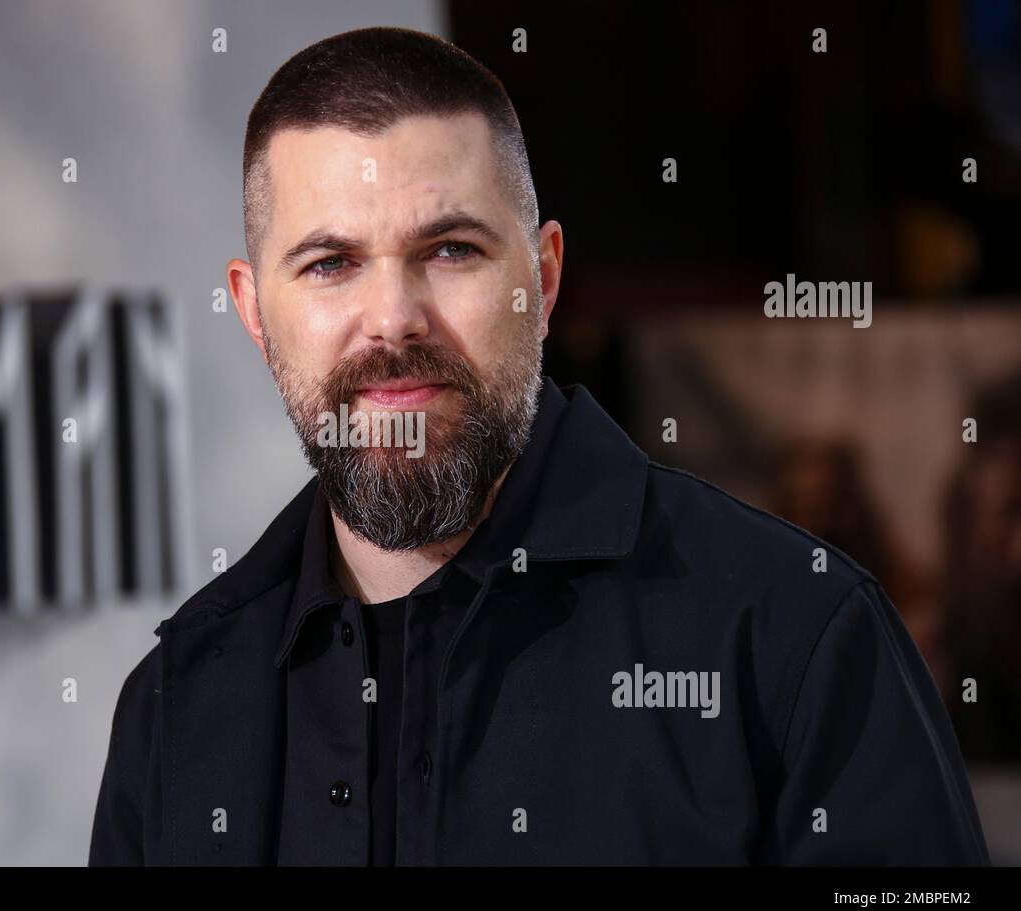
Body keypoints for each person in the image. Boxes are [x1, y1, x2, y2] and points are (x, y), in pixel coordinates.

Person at [89, 26, 989, 866]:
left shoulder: (795, 636)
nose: (394, 320)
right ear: (252, 309)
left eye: (448, 250)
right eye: (330, 264)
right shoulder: (176, 709)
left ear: (544, 278)